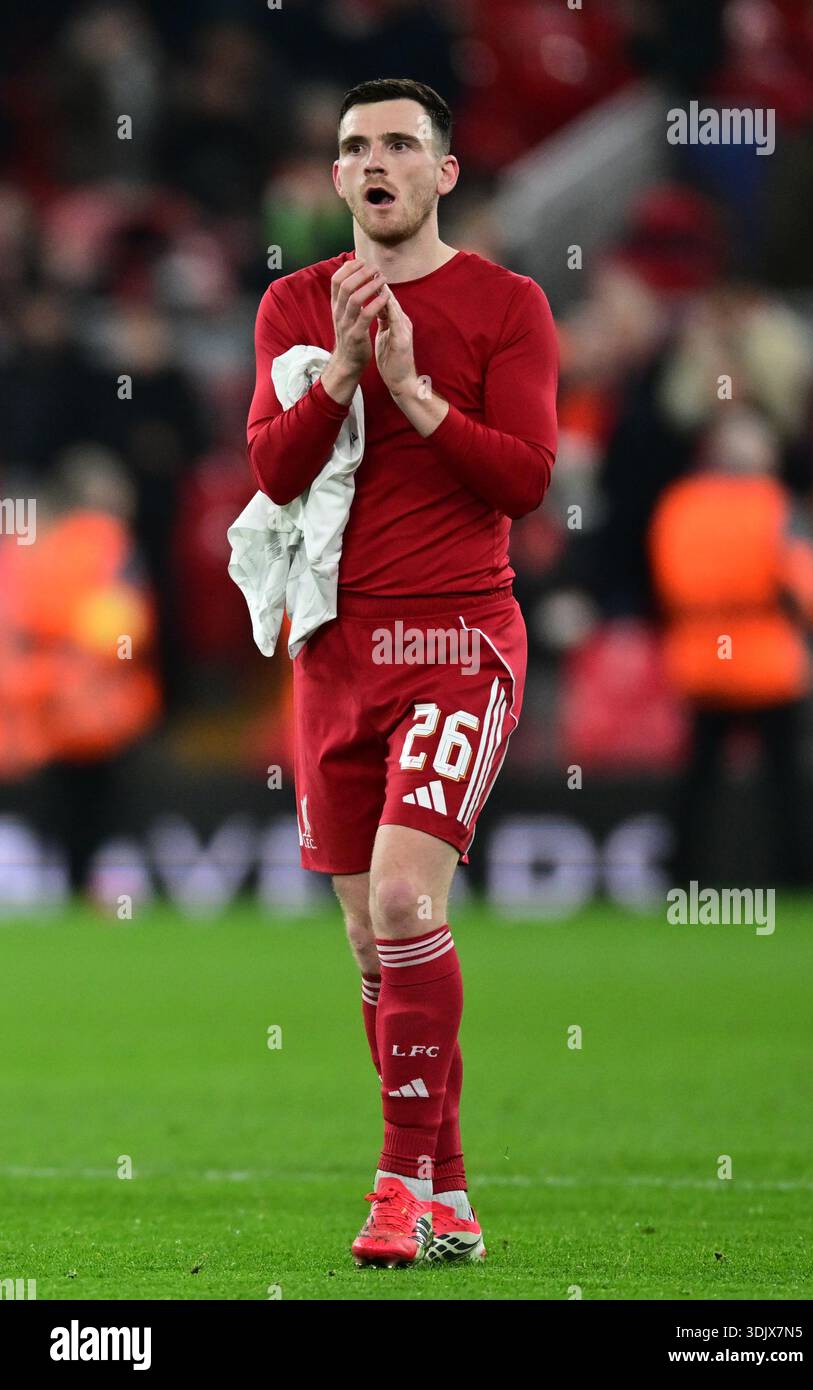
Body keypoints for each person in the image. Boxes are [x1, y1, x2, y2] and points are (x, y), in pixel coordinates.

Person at [246, 78, 559, 1266]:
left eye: (397, 145)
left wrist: (418, 394)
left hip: (455, 642)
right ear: (336, 179)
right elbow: (273, 473)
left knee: (402, 903)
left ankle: (392, 1190)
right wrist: (338, 371)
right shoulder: (291, 305)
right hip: (334, 651)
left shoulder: (506, 304)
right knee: (375, 950)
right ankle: (455, 1199)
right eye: (352, 148)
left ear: (442, 173)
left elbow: (526, 479)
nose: (372, 163)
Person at [648, 408, 813, 887]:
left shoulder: (678, 505)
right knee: (787, 783)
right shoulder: (773, 505)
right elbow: (812, 593)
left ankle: (679, 878)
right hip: (768, 663)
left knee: (698, 782)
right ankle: (799, 881)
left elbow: (667, 583)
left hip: (700, 662)